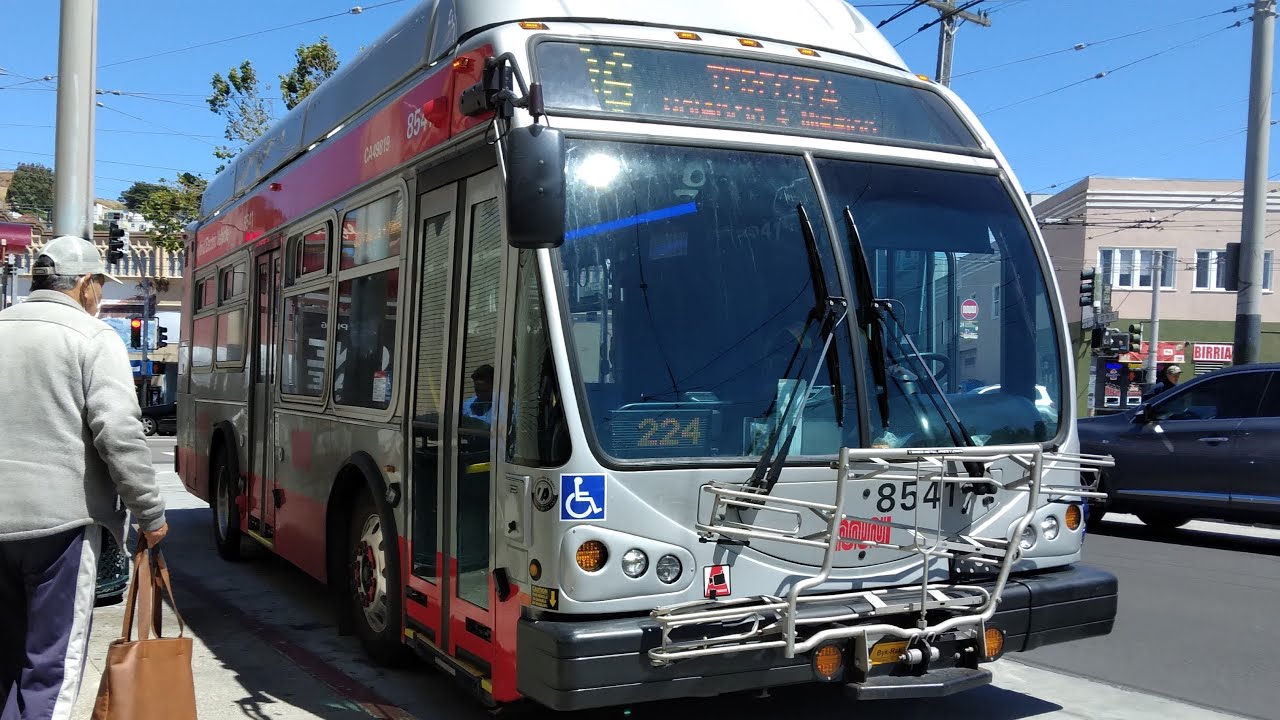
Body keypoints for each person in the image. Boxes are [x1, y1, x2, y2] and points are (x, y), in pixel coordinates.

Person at [0, 235, 168, 720]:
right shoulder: (92, 339)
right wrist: (150, 514)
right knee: (52, 665)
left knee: (7, 658)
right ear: (86, 285)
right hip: (62, 525)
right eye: (98, 285)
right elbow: (119, 433)